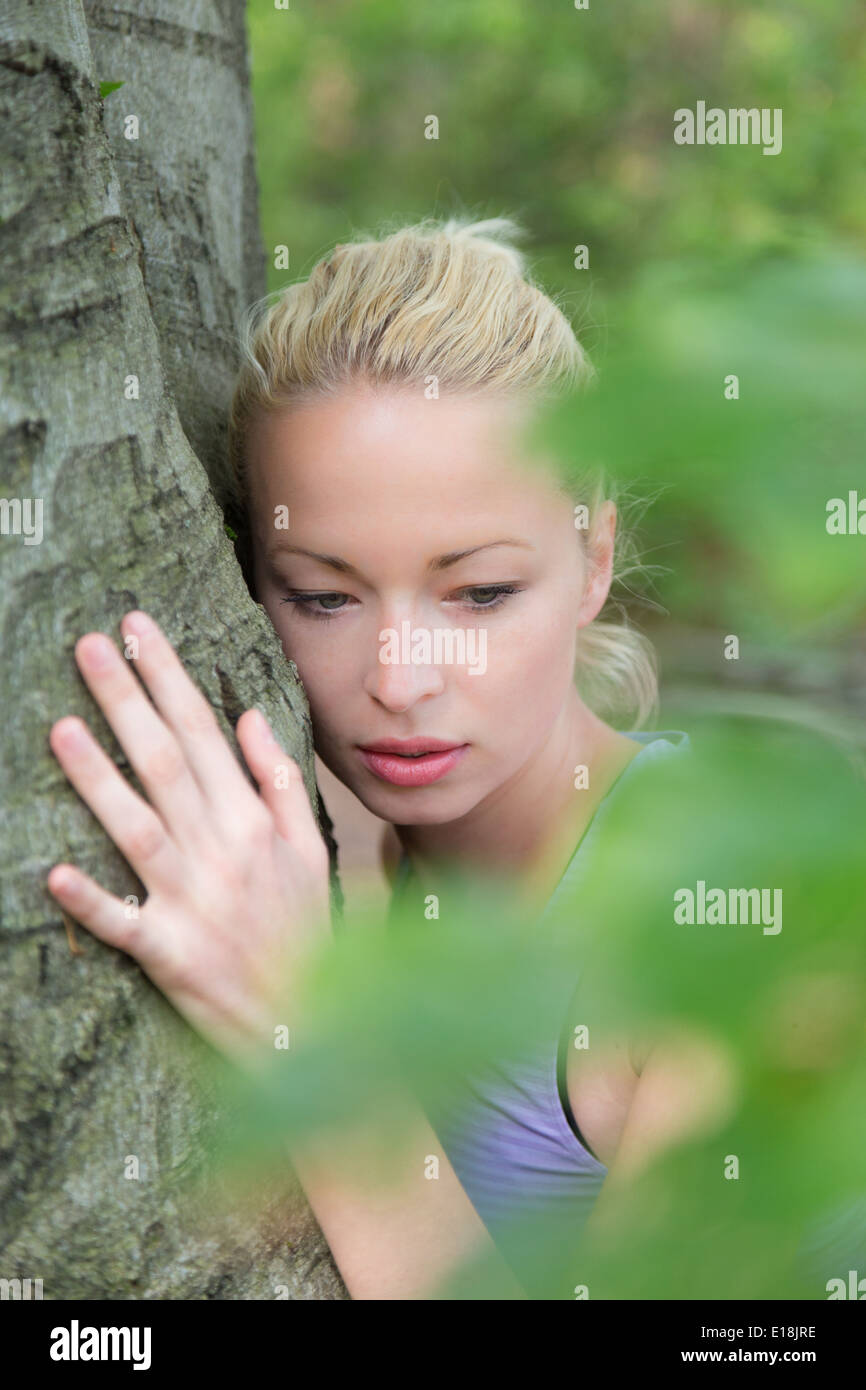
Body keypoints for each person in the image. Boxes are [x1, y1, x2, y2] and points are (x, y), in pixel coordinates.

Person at [45, 216, 734, 1299]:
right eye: (323, 595)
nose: (400, 678)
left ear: (593, 557)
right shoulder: (379, 863)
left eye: (481, 593)